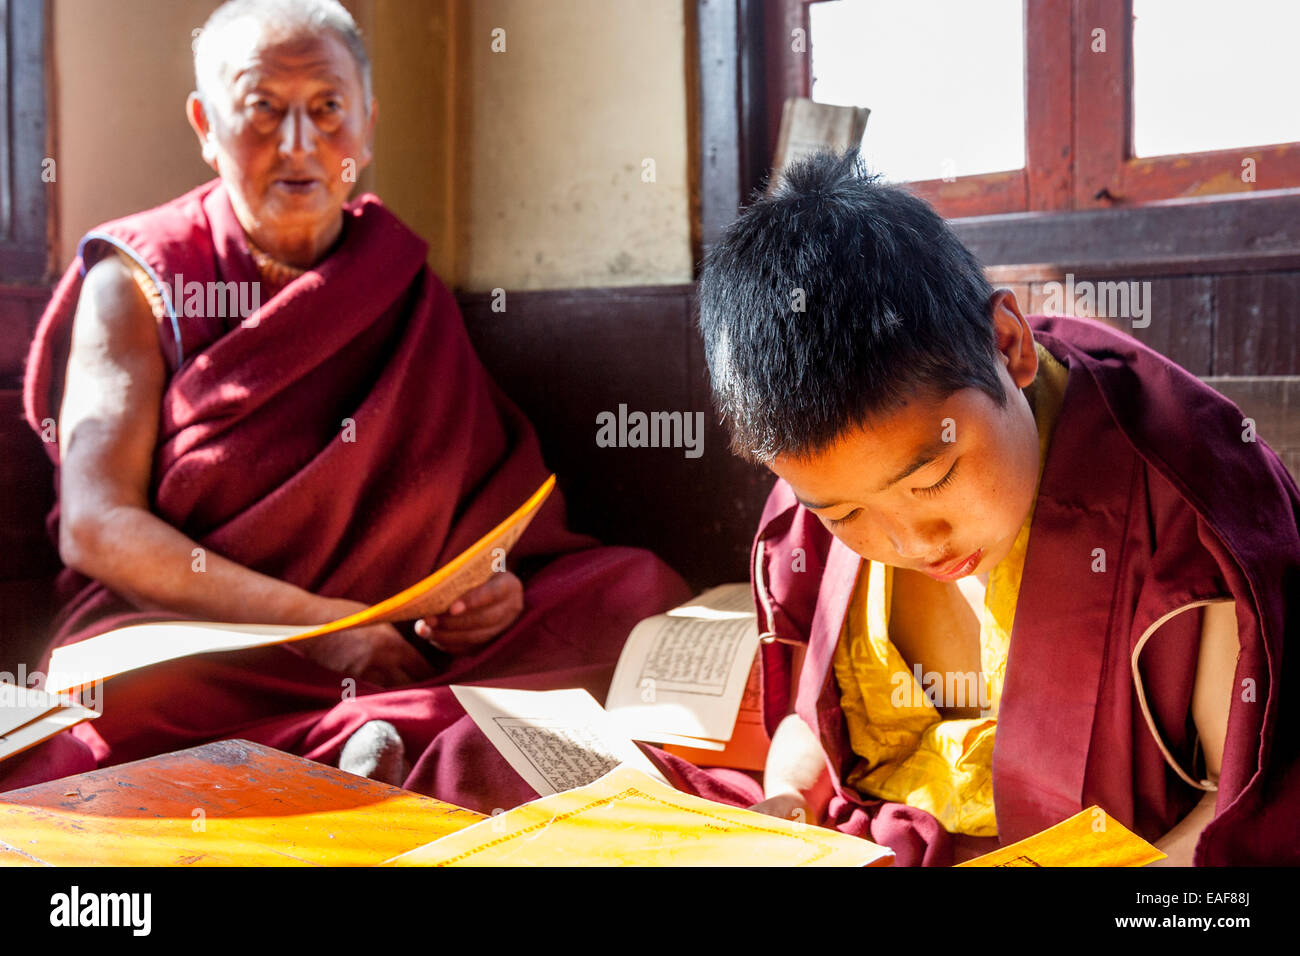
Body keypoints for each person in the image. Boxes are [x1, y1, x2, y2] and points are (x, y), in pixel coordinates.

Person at [6, 0, 689, 808]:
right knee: (116, 701)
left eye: (328, 110)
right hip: (225, 640)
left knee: (632, 591)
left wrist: (489, 590)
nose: (299, 144)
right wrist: (325, 628)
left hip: (402, 641)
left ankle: (349, 750)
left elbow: (481, 507)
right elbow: (96, 526)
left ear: (365, 128)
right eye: (263, 109)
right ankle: (357, 745)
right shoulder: (143, 277)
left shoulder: (396, 277)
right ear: (204, 122)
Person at [649, 148, 1299, 866]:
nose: (911, 540)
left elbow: (1239, 817)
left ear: (1010, 345)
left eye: (930, 480)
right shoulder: (818, 493)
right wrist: (786, 805)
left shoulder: (1188, 519)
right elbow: (815, 722)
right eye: (844, 516)